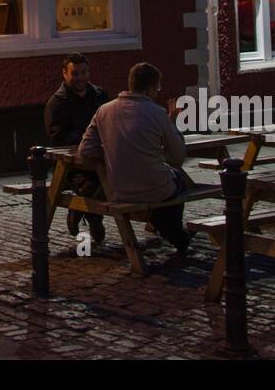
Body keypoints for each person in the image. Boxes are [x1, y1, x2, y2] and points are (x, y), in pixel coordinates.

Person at [75, 62, 192, 258]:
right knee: (179, 181)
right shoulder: (157, 113)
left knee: (167, 183)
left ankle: (167, 228)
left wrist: (113, 148)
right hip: (155, 188)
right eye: (157, 88)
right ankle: (173, 232)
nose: (157, 92)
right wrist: (172, 126)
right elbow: (178, 157)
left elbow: (85, 150)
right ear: (148, 89)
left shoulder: (104, 111)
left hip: (119, 188)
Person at [44, 53, 109, 242]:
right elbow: (57, 139)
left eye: (84, 73)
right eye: (75, 73)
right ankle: (92, 219)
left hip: (100, 158)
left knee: (117, 180)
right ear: (65, 74)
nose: (81, 78)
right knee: (91, 186)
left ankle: (79, 210)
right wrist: (87, 140)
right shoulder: (57, 103)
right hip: (72, 165)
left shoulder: (99, 96)